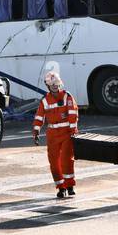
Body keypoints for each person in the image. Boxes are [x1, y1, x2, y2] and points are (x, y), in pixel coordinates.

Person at [32, 68, 78, 198]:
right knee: (54, 161)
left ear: (60, 84)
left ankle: (70, 185)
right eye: (52, 85)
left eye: (56, 85)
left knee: (66, 160)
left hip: (66, 133)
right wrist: (36, 131)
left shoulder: (67, 96)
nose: (55, 87)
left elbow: (73, 113)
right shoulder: (44, 101)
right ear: (48, 86)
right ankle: (60, 187)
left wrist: (73, 130)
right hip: (52, 134)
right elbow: (39, 116)